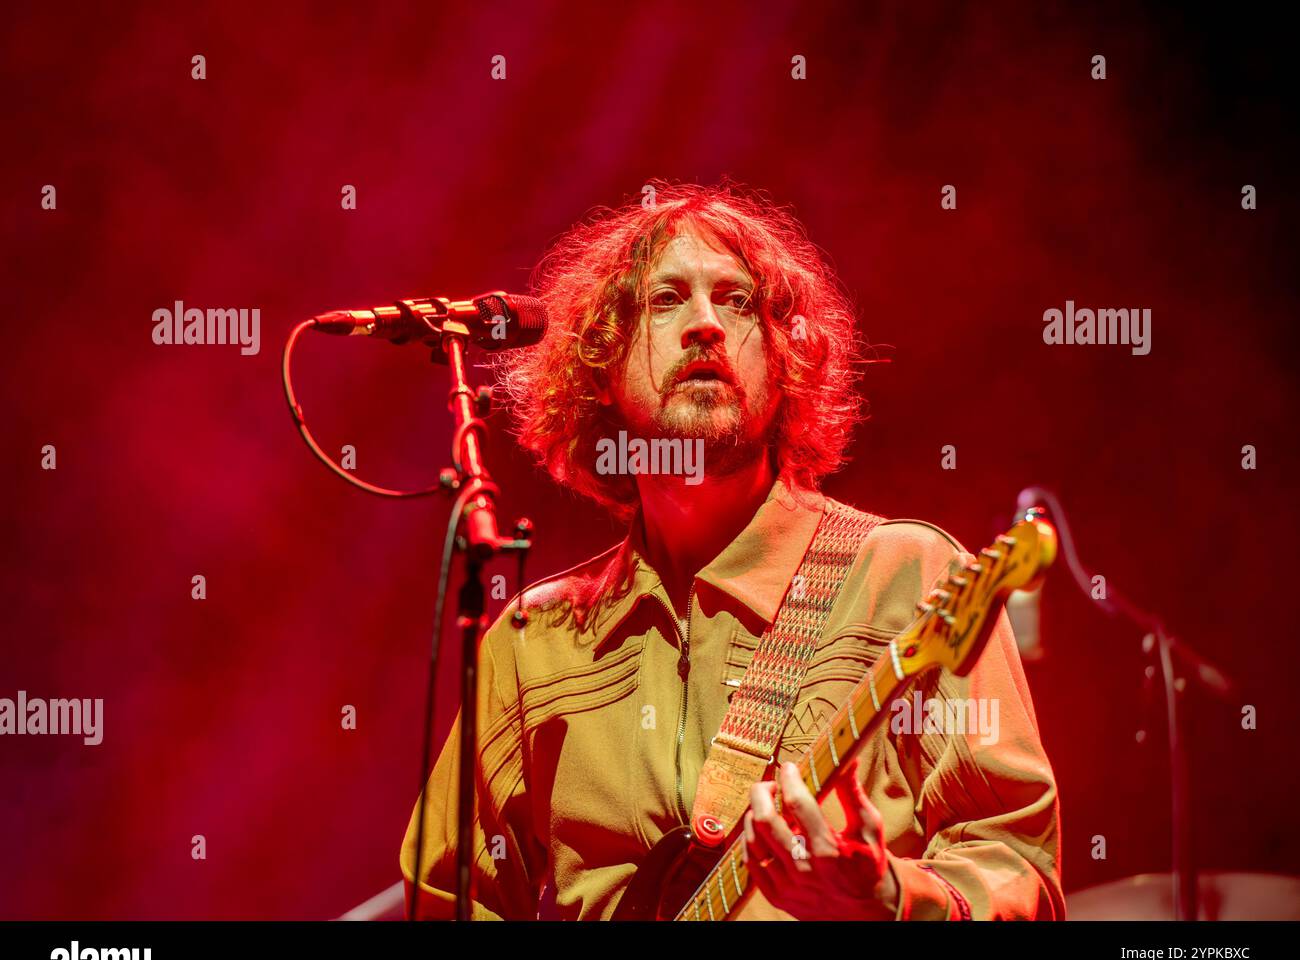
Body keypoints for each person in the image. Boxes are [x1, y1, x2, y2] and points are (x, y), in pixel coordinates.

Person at [399, 181, 1064, 920]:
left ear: (785, 363)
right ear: (603, 367)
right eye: (665, 300)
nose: (707, 324)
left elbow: (1017, 865)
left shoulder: (905, 576)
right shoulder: (533, 642)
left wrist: (887, 898)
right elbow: (446, 898)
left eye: (739, 302)